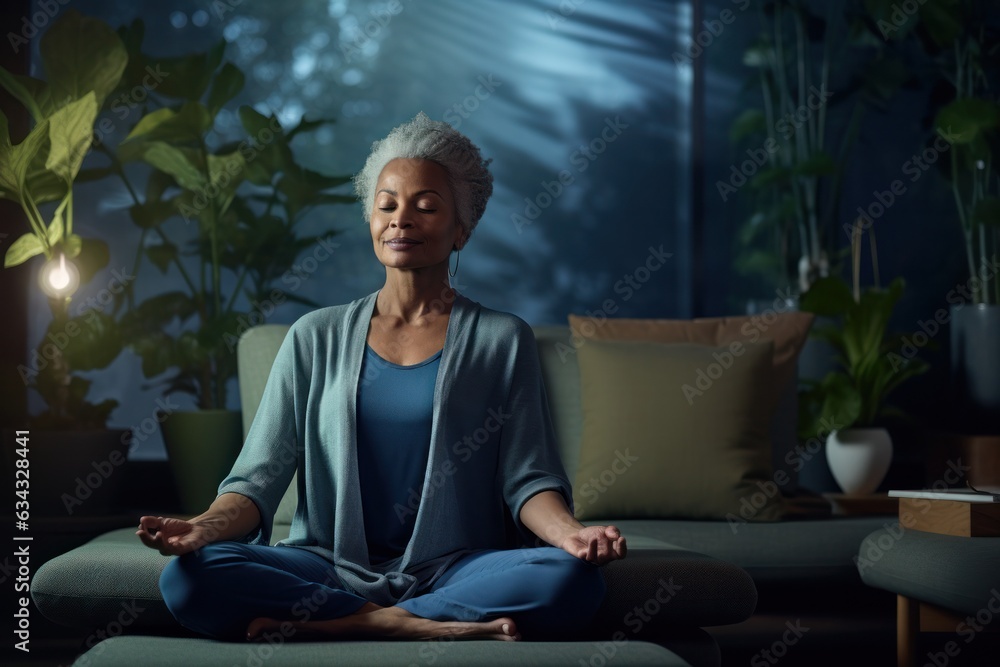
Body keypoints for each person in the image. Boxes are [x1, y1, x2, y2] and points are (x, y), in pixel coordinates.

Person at [137, 112, 627, 643]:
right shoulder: (312, 337)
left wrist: (574, 536)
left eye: (427, 206)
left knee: (573, 581)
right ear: (370, 220)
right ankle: (403, 623)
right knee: (190, 576)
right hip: (327, 566)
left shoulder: (502, 340)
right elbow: (256, 481)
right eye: (387, 204)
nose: (402, 219)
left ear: (461, 229)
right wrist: (201, 527)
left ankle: (343, 624)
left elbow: (528, 479)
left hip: (455, 567)